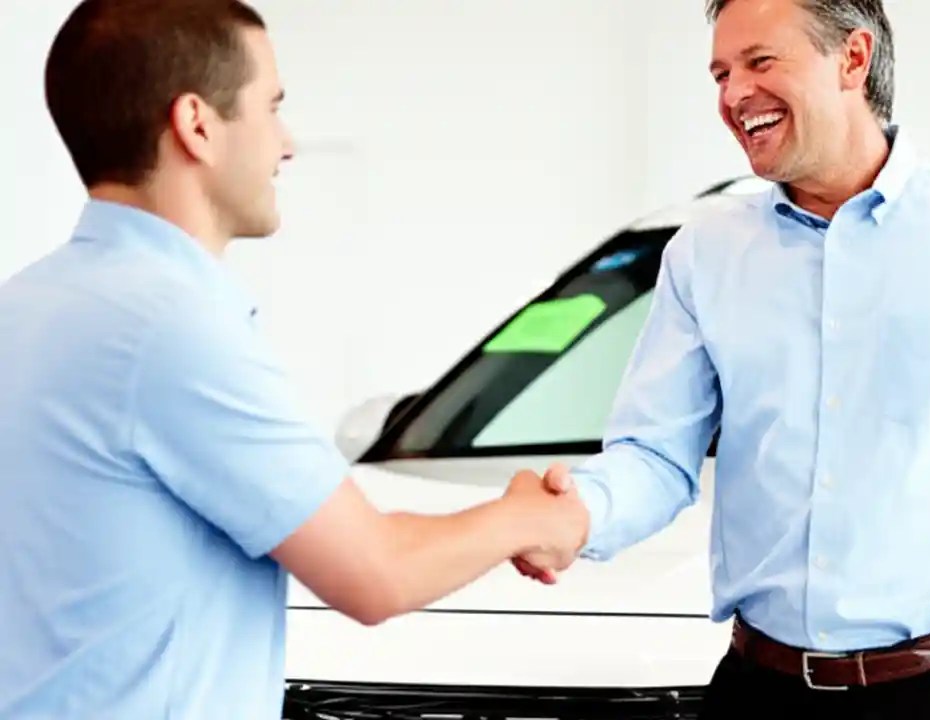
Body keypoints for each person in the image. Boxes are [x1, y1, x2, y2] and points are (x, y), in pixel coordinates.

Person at [511, 0, 930, 718]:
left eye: (760, 63)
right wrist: (579, 516)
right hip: (759, 691)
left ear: (853, 59)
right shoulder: (704, 252)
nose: (734, 95)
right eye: (721, 73)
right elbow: (655, 457)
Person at [0, 1, 587, 717]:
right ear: (197, 124)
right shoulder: (168, 328)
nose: (287, 143)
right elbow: (377, 572)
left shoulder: (25, 307)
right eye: (272, 107)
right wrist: (523, 517)